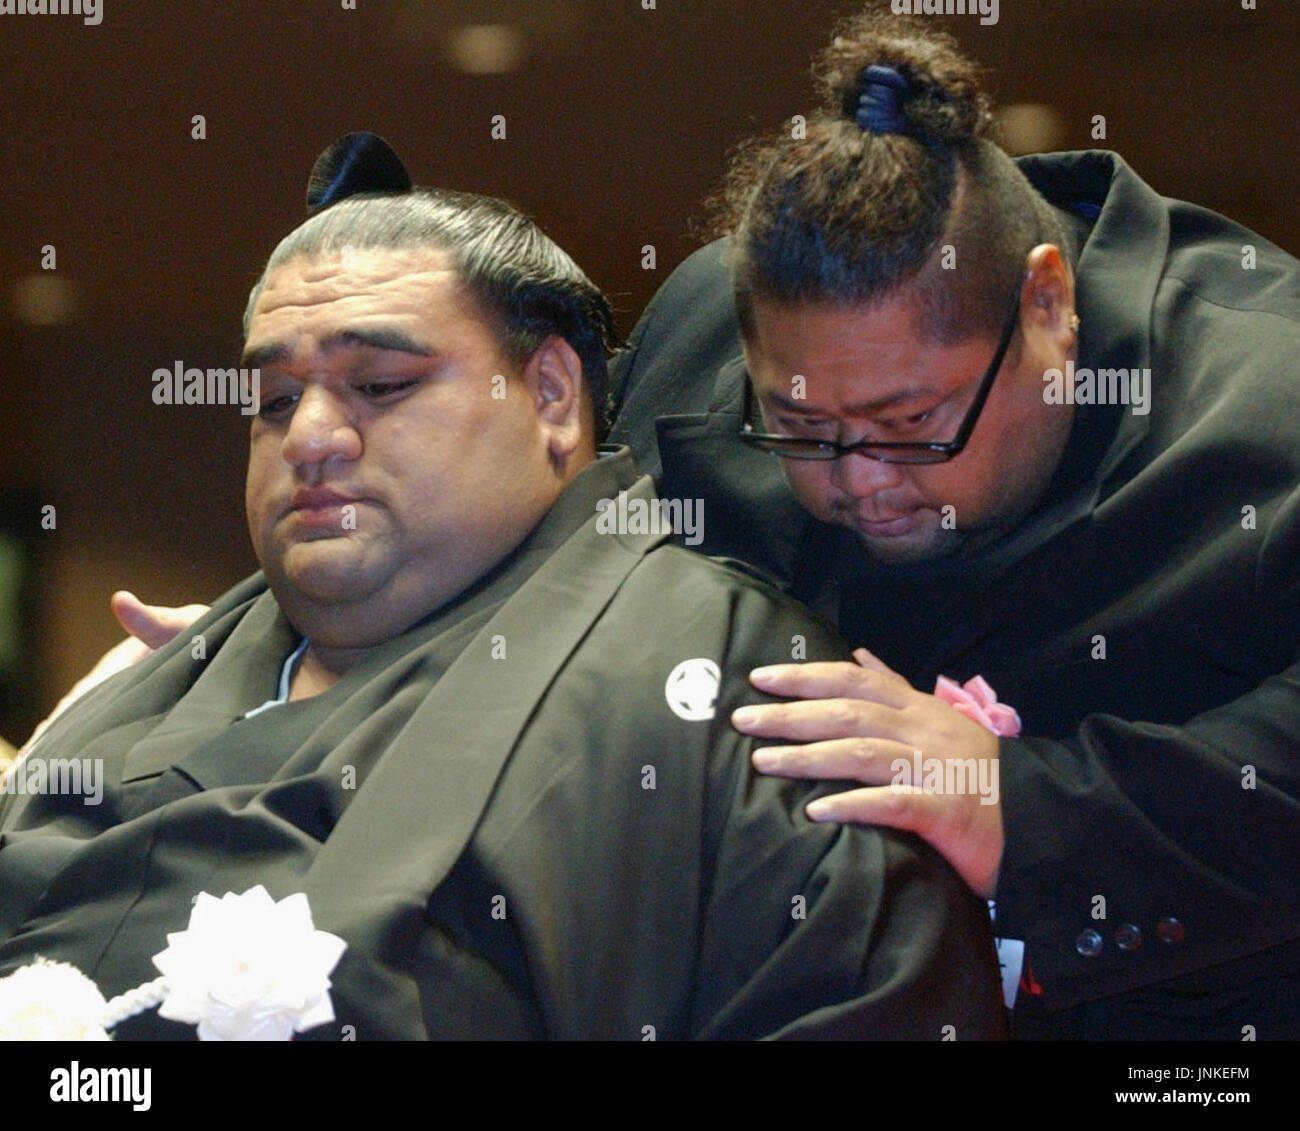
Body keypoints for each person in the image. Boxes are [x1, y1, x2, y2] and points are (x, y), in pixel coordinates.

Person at [0, 133, 1006, 1040]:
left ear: (552, 396)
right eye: (273, 401)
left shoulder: (758, 696)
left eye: (381, 386)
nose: (308, 437)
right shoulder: (145, 683)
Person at [607, 10, 1300, 1039]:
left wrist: (1023, 807)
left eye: (912, 424)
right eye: (800, 427)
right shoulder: (705, 323)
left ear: (1047, 305)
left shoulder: (1270, 394)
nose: (862, 482)